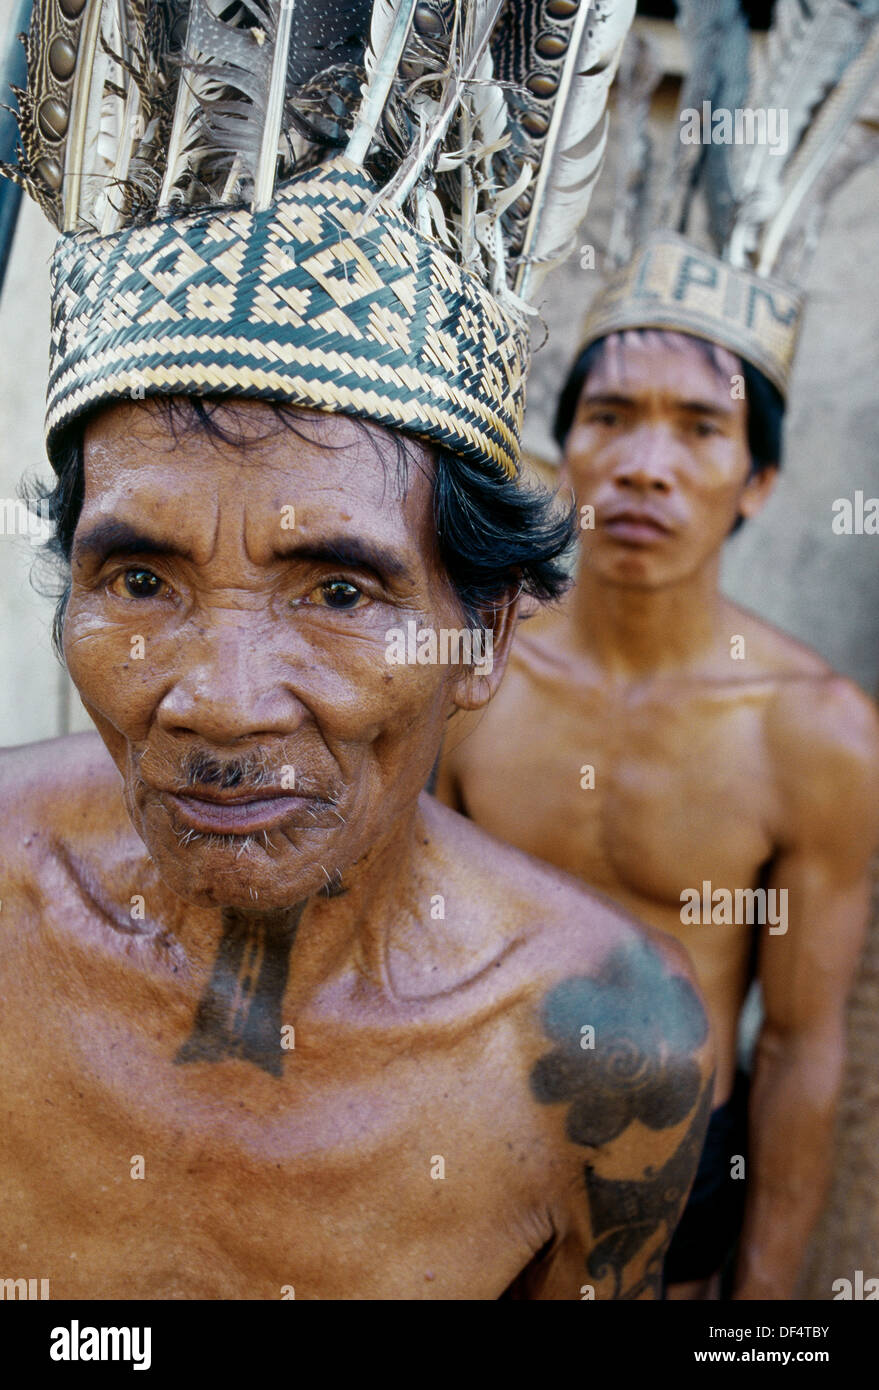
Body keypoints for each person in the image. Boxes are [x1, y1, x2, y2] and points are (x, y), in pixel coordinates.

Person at [1, 0, 718, 1300]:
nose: (217, 703)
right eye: (142, 576)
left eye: (335, 587)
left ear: (481, 633)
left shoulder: (606, 1049)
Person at [437, 313, 879, 1300]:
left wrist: (761, 1311)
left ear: (756, 481)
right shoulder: (475, 671)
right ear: (566, 455)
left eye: (699, 428)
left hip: (675, 1181)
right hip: (461, 1151)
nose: (645, 465)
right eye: (611, 417)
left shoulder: (815, 732)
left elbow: (804, 1041)